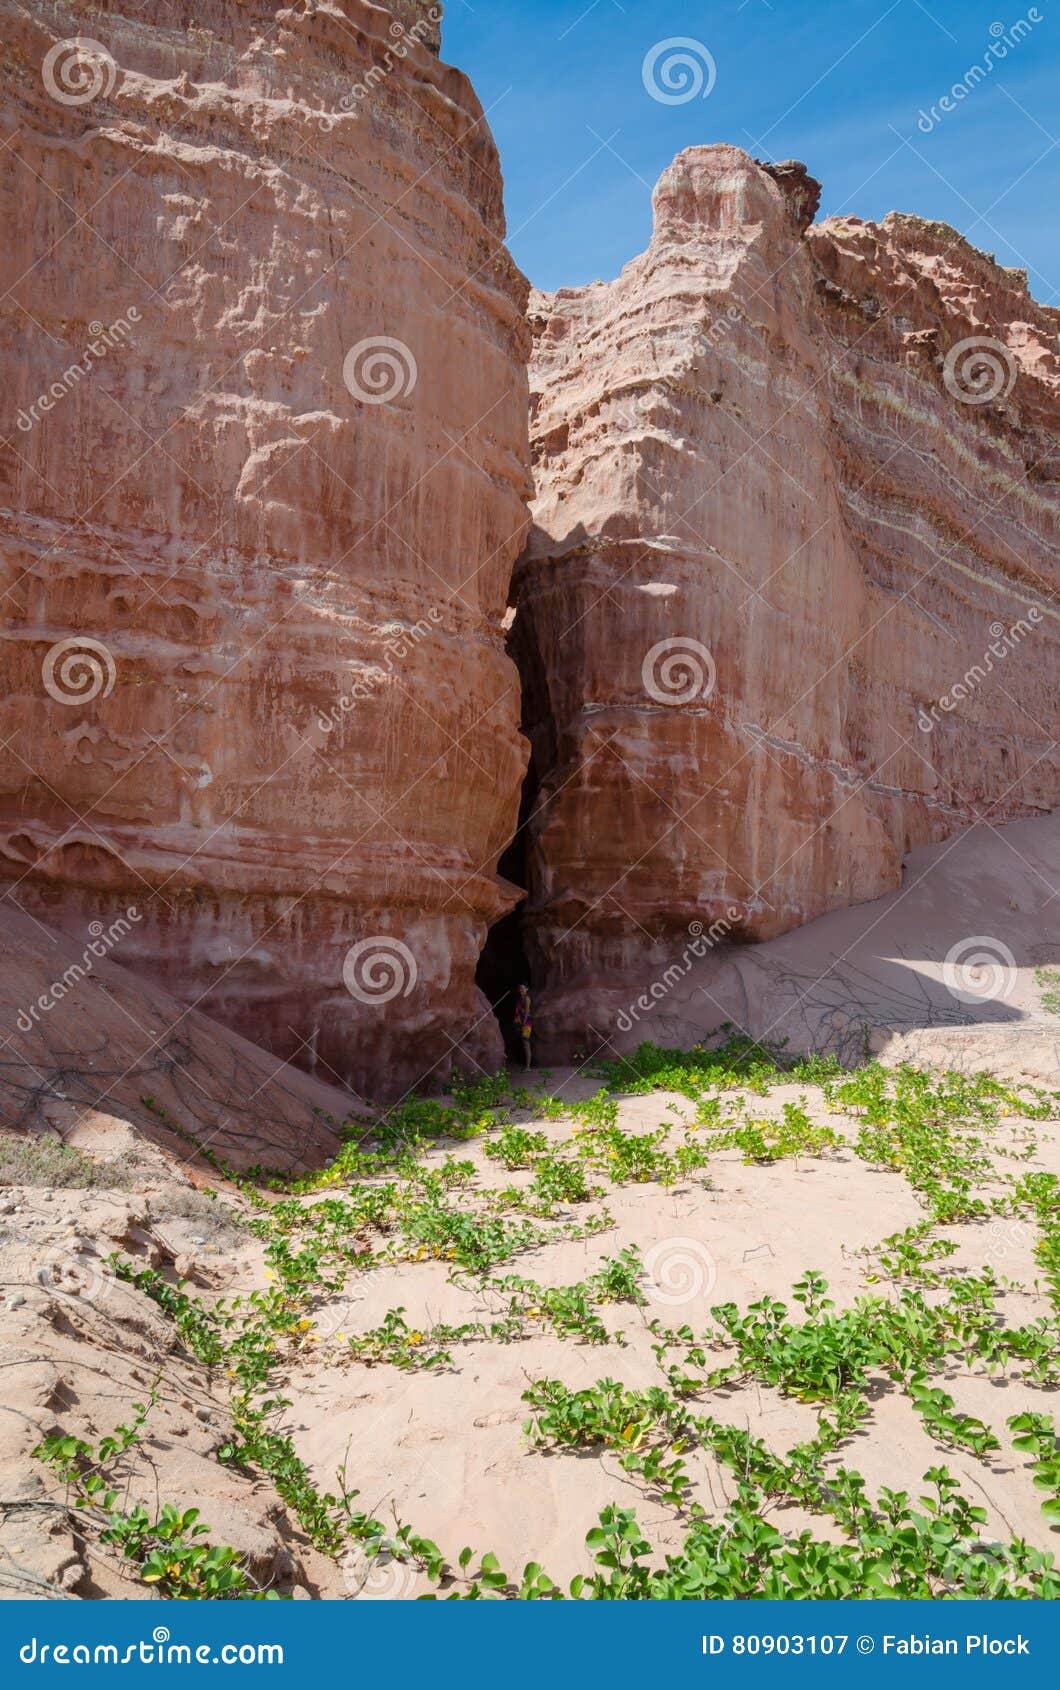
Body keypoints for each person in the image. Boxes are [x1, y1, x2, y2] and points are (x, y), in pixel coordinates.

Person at [513, 983, 532, 1069]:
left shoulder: (526, 998)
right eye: (520, 988)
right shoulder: (519, 999)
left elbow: (527, 1011)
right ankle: (525, 1065)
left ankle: (528, 1067)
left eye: (522, 988)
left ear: (527, 989)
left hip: (526, 1023)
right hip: (519, 1022)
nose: (521, 990)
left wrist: (523, 1022)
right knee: (521, 1042)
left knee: (526, 1043)